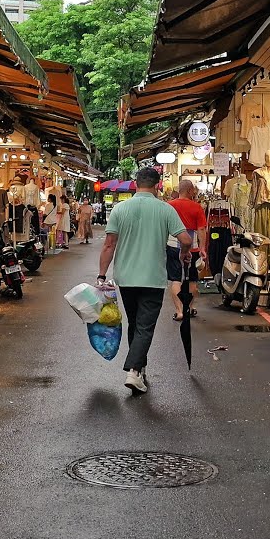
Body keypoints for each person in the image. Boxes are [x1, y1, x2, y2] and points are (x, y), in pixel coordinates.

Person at [98, 167, 191, 394]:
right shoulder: (165, 209)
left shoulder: (120, 209)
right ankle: (134, 371)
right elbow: (186, 239)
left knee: (135, 323)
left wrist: (101, 274)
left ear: (135, 184)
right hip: (152, 278)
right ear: (157, 186)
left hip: (126, 277)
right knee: (145, 327)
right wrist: (183, 253)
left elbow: (109, 244)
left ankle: (140, 368)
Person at [167, 179, 208, 322]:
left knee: (176, 279)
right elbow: (201, 229)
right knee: (192, 279)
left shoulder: (169, 206)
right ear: (190, 190)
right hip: (192, 246)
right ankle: (189, 308)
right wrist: (202, 248)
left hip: (173, 245)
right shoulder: (197, 207)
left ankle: (179, 311)